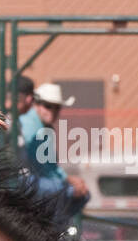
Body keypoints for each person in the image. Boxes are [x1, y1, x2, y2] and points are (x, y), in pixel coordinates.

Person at [19, 82, 90, 230]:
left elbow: (48, 165)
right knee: (60, 189)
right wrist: (66, 181)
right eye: (48, 106)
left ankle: (52, 228)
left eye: (56, 107)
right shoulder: (29, 125)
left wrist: (67, 179)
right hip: (25, 179)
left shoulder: (44, 128)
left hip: (36, 179)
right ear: (36, 104)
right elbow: (36, 164)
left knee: (81, 194)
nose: (53, 111)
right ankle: (51, 233)